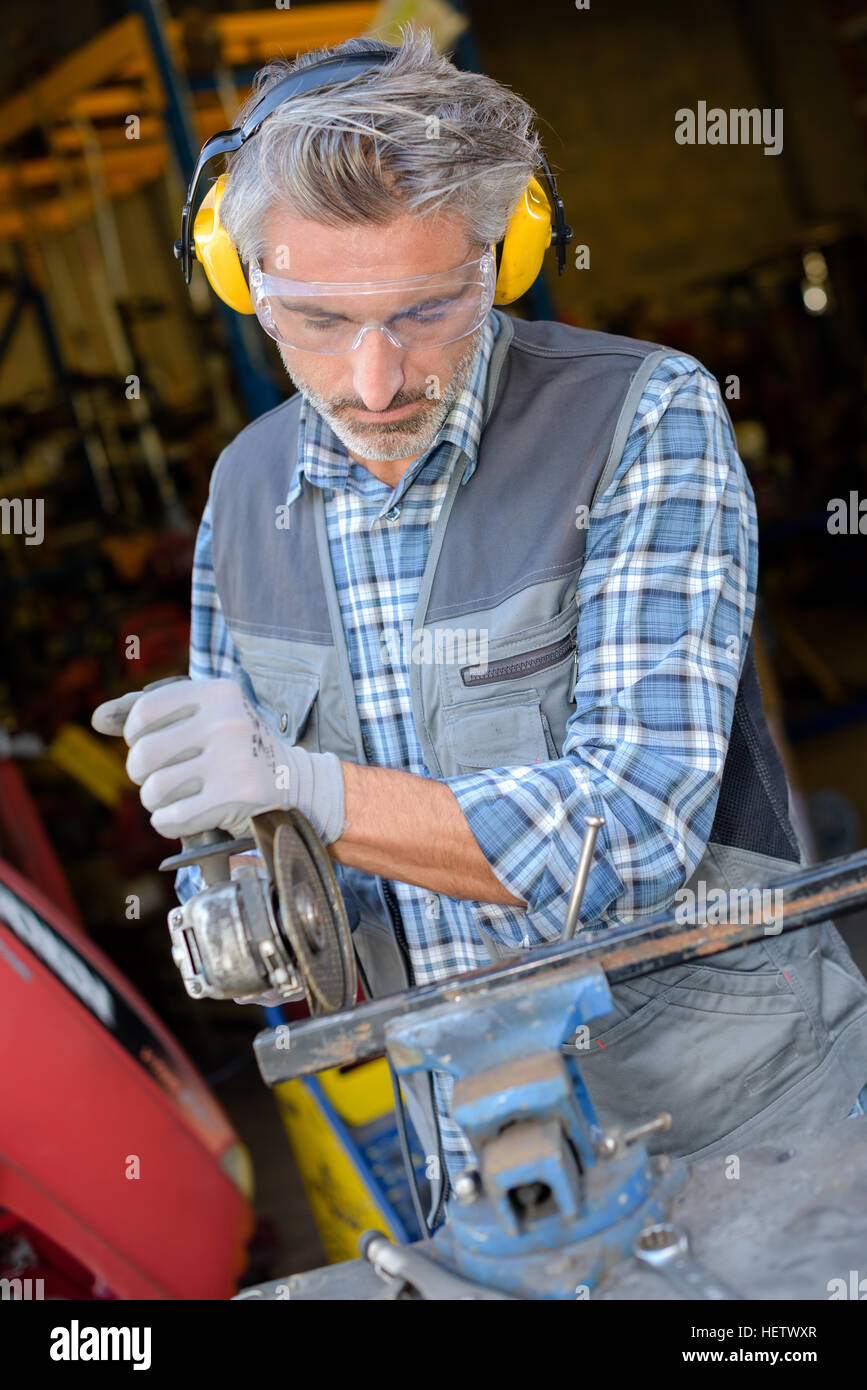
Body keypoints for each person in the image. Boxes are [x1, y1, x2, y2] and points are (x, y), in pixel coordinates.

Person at [93, 31, 867, 1218]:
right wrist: (235, 888)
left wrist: (313, 789)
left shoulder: (641, 418)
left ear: (503, 259)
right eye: (312, 321)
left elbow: (638, 823)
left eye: (427, 309)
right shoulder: (245, 500)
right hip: (477, 1155)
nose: (374, 380)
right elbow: (264, 877)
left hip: (738, 1137)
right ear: (238, 275)